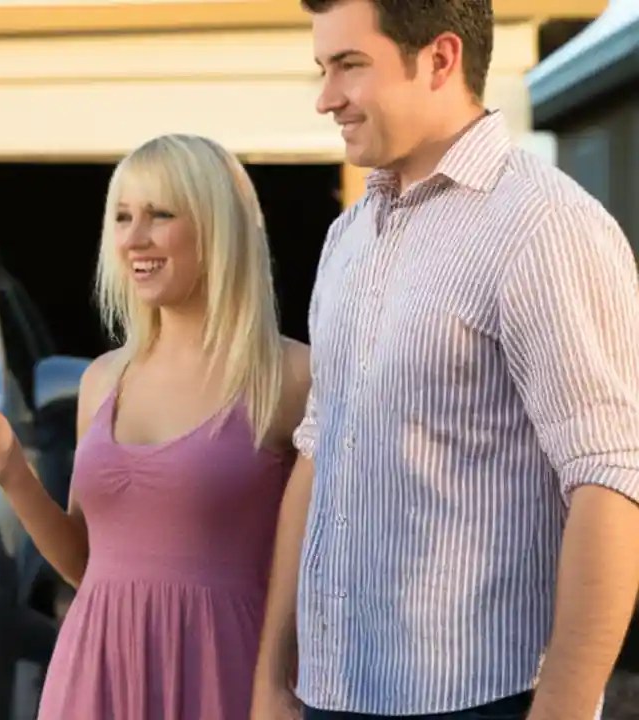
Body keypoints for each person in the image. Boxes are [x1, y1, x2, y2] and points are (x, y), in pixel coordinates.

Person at [251, 1, 639, 719]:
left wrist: (561, 708)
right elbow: (318, 449)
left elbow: (610, 481)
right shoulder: (347, 239)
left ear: (440, 59)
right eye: (323, 68)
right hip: (331, 691)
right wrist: (273, 679)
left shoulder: (545, 229)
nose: (325, 97)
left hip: (480, 697)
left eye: (350, 66)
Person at [0, 133, 312, 719]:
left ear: (217, 229)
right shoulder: (104, 380)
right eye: (123, 216)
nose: (134, 238)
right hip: (94, 677)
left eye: (160, 215)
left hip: (226, 676)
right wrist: (11, 472)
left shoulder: (291, 376)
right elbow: (89, 565)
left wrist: (278, 687)